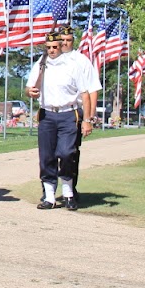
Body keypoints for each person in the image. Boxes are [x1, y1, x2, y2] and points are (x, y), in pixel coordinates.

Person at [25, 32, 89, 210]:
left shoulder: (72, 65)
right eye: (48, 47)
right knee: (47, 156)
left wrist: (87, 120)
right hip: (47, 114)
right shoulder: (41, 64)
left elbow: (85, 93)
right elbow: (29, 88)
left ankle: (68, 192)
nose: (52, 50)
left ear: (61, 46)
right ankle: (50, 196)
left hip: (68, 114)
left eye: (55, 47)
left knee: (67, 153)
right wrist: (30, 92)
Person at [57, 26, 100, 197]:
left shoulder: (81, 61)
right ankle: (49, 189)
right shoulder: (50, 60)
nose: (65, 43)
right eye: (63, 40)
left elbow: (93, 89)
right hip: (54, 112)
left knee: (71, 152)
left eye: (68, 40)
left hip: (75, 111)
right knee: (50, 153)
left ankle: (70, 187)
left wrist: (89, 118)